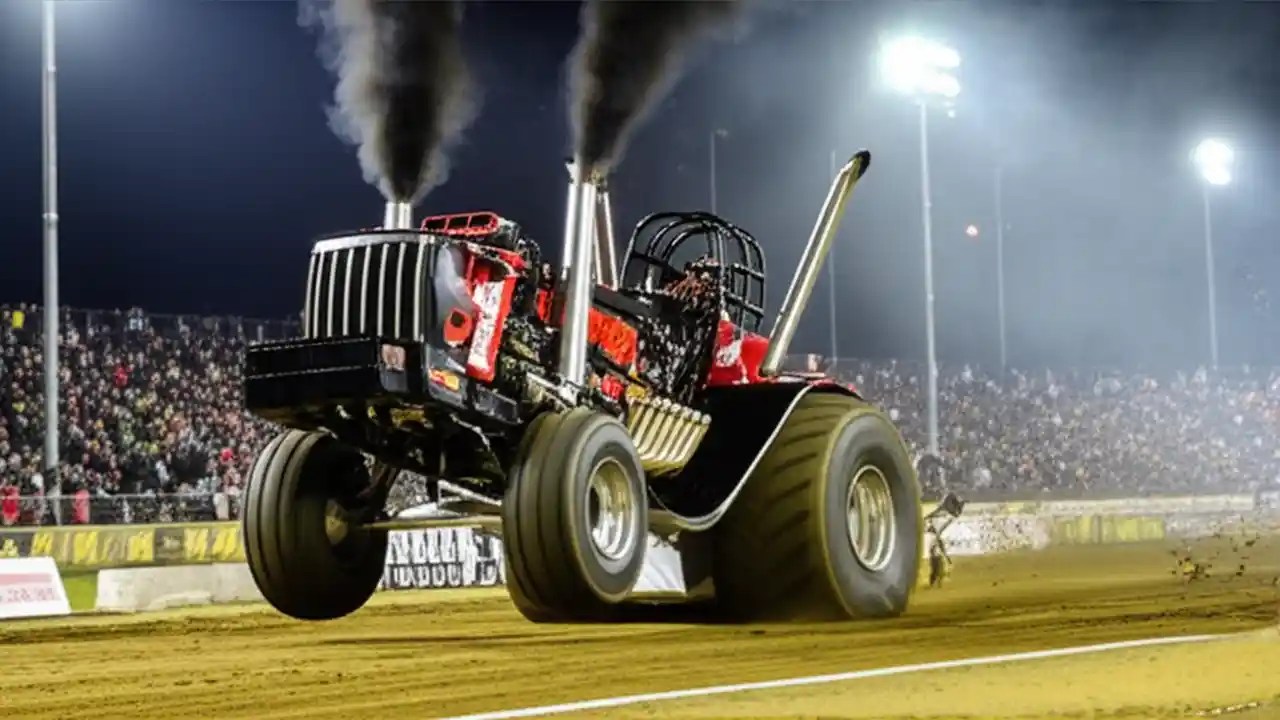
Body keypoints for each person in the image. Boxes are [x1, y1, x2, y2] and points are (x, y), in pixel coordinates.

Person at [924, 491, 965, 587]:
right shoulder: (944, 515)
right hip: (936, 536)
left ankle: (936, 577)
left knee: (936, 554)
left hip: (935, 535)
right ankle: (937, 577)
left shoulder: (942, 514)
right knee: (937, 553)